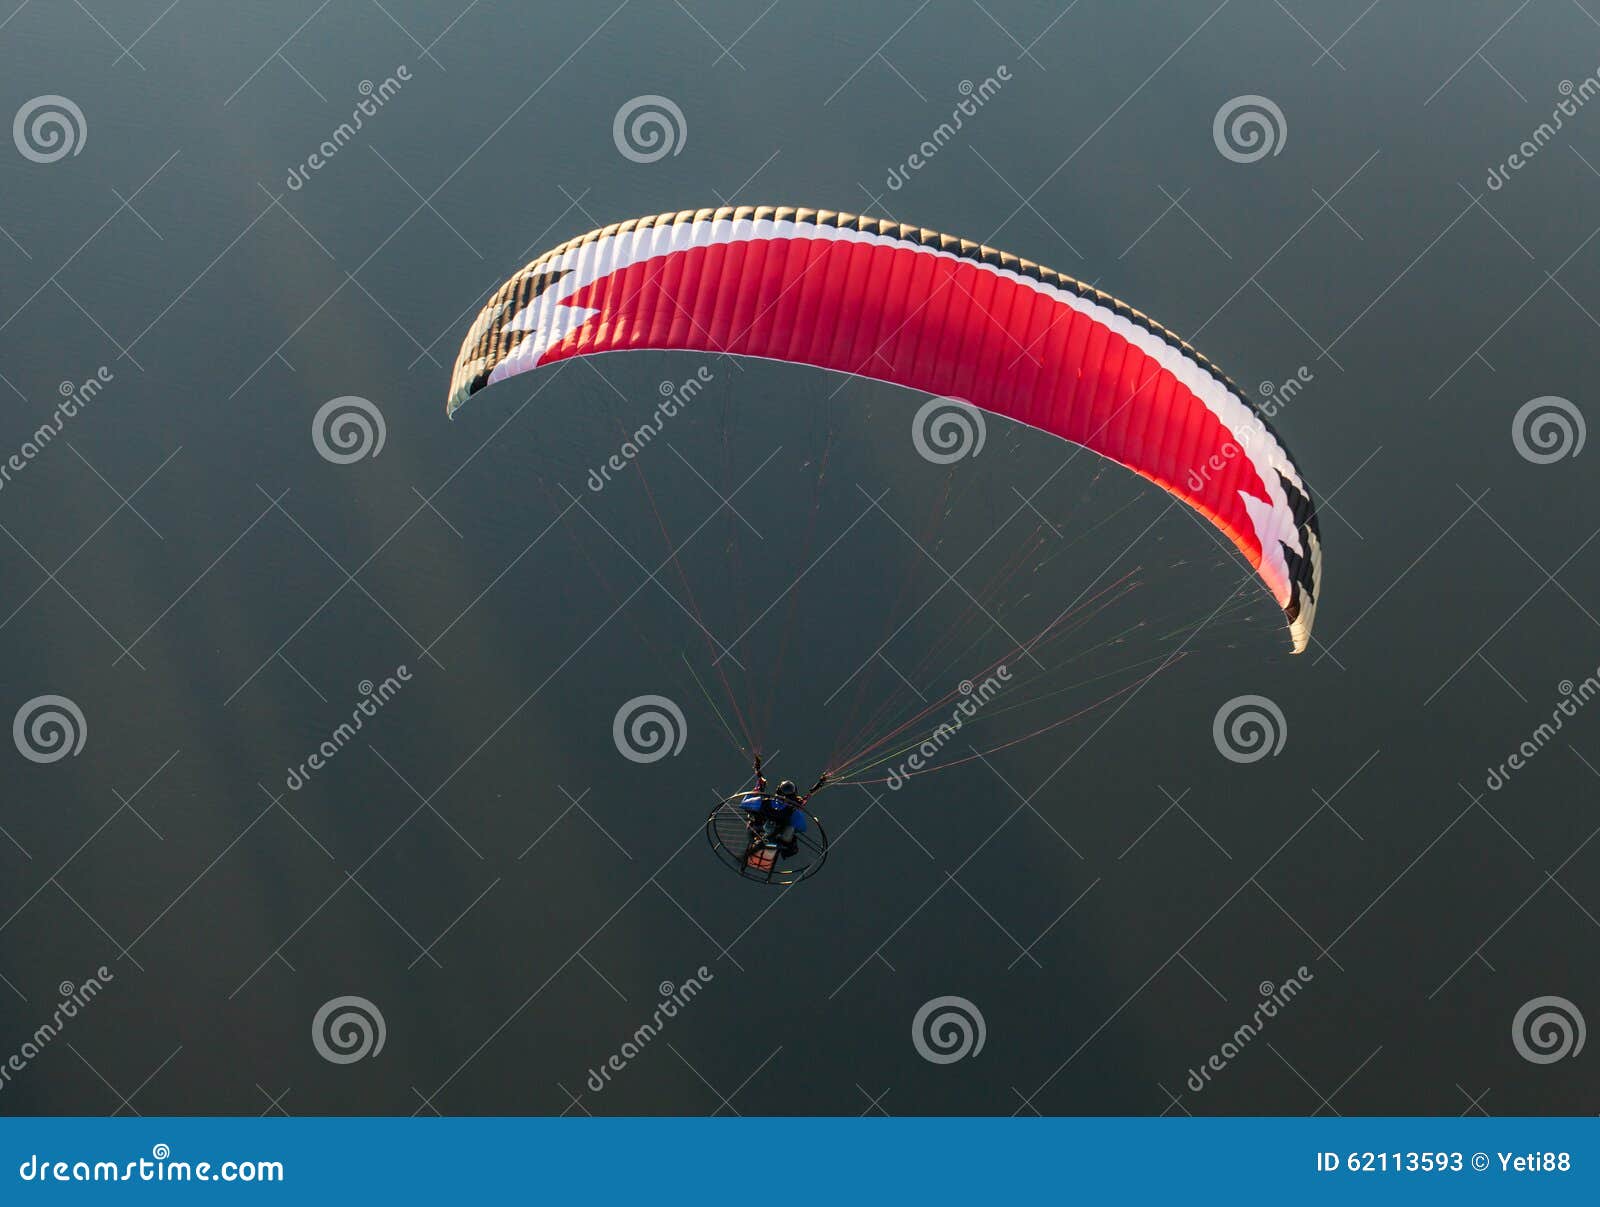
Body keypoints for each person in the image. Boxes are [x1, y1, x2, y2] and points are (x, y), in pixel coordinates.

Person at [739, 776, 809, 870]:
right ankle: (774, 840)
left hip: (758, 832)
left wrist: (757, 789)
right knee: (790, 830)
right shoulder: (794, 812)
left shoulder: (764, 802)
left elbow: (744, 804)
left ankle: (759, 843)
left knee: (755, 821)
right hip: (778, 840)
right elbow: (802, 827)